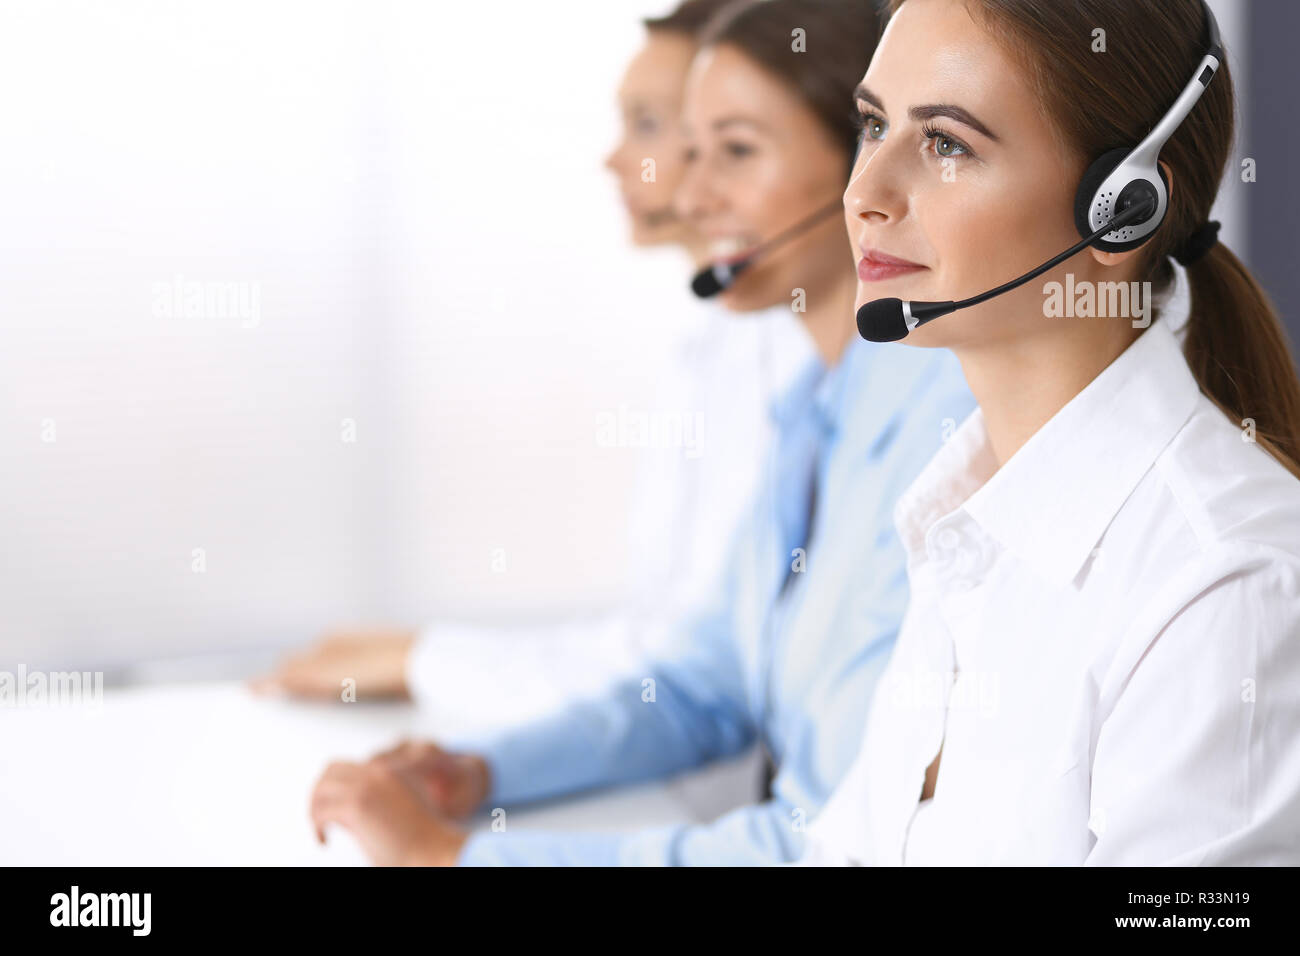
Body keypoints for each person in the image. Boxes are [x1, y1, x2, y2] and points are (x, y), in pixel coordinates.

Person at [307, 0, 976, 866]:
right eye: (691, 153)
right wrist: (482, 773)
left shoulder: (945, 424)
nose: (692, 196)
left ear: (865, 165)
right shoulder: (818, 403)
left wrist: (457, 860)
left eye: (735, 151)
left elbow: (831, 842)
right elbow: (702, 684)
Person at [803, 0, 1300, 865]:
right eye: (874, 125)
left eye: (947, 143)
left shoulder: (1225, 584)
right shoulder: (964, 517)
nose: (863, 194)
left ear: (1124, 207)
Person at [254, 0, 815, 728]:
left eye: (649, 125)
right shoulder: (717, 339)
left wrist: (423, 661)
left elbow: (689, 659)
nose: (614, 159)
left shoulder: (802, 357)